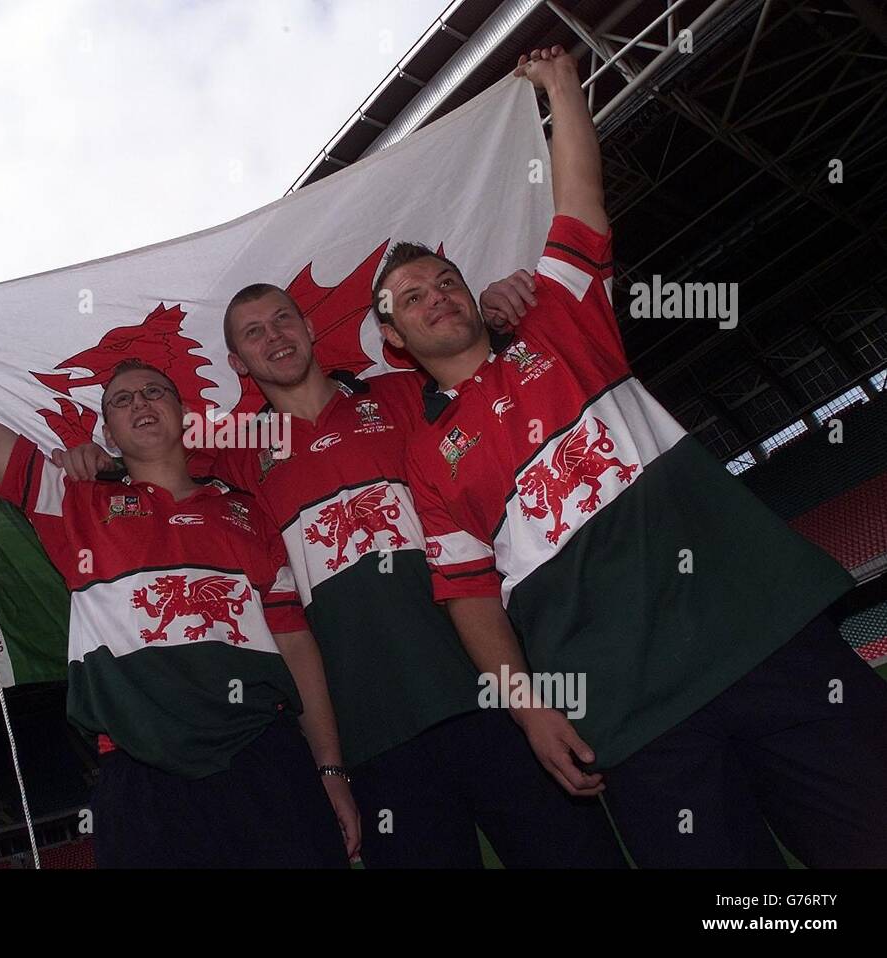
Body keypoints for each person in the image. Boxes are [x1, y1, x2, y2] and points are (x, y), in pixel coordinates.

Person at [378, 45, 887, 867]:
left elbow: (580, 198)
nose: (437, 295)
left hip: (761, 638)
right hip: (632, 713)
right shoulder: (429, 461)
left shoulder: (562, 321)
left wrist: (562, 87)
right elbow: (469, 597)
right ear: (394, 340)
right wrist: (528, 709)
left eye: (444, 278)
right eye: (412, 298)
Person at [59, 282, 624, 868]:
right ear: (237, 363)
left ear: (308, 328)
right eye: (253, 332)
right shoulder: (234, 463)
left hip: (491, 697)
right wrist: (101, 467)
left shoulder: (404, 394)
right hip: (371, 741)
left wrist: (506, 316)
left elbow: (493, 382)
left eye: (282, 320)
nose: (273, 337)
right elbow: (156, 461)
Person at [0, 313, 360, 867]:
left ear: (184, 415)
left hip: (267, 759)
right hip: (143, 778)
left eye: (155, 392)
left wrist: (329, 769)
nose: (140, 403)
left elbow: (295, 645)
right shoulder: (73, 504)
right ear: (106, 432)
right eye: (121, 400)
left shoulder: (247, 511)